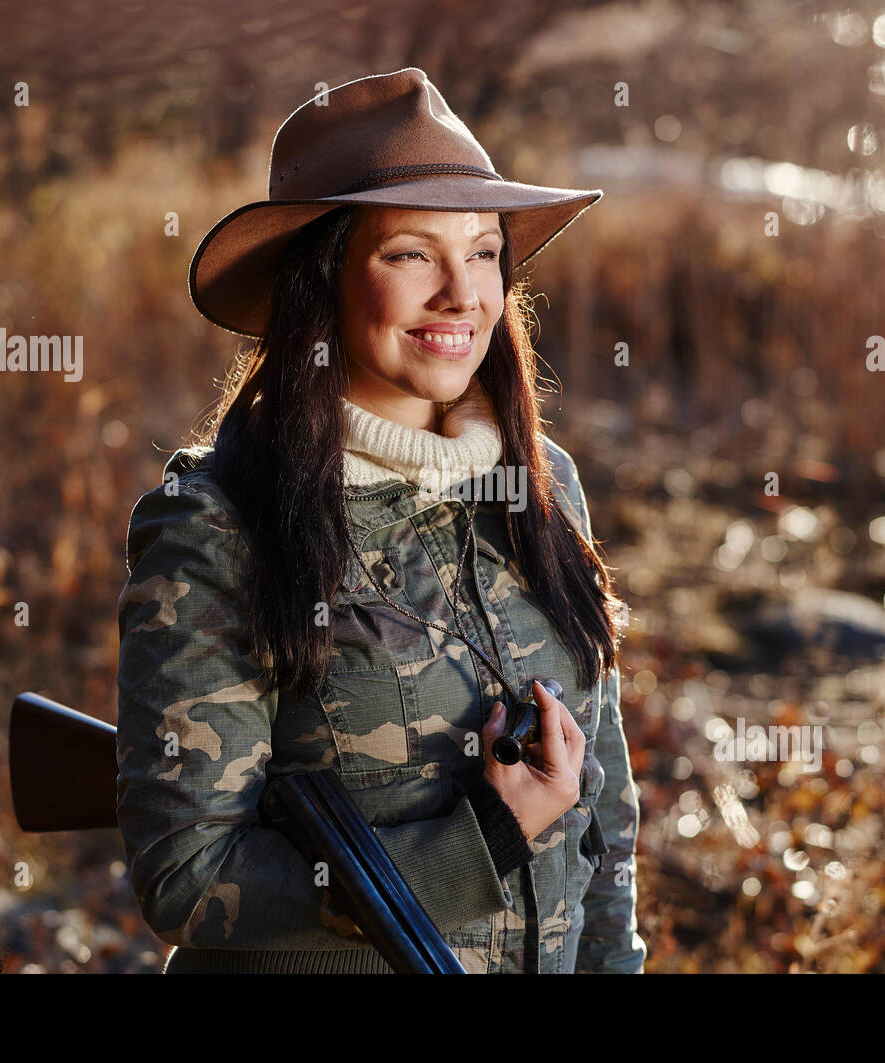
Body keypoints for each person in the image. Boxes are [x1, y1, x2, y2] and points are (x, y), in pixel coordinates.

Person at [115, 67, 645, 974]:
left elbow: (603, 808)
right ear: (319, 281)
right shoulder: (216, 528)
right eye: (411, 253)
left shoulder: (540, 480)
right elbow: (189, 879)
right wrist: (488, 837)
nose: (462, 295)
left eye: (483, 252)